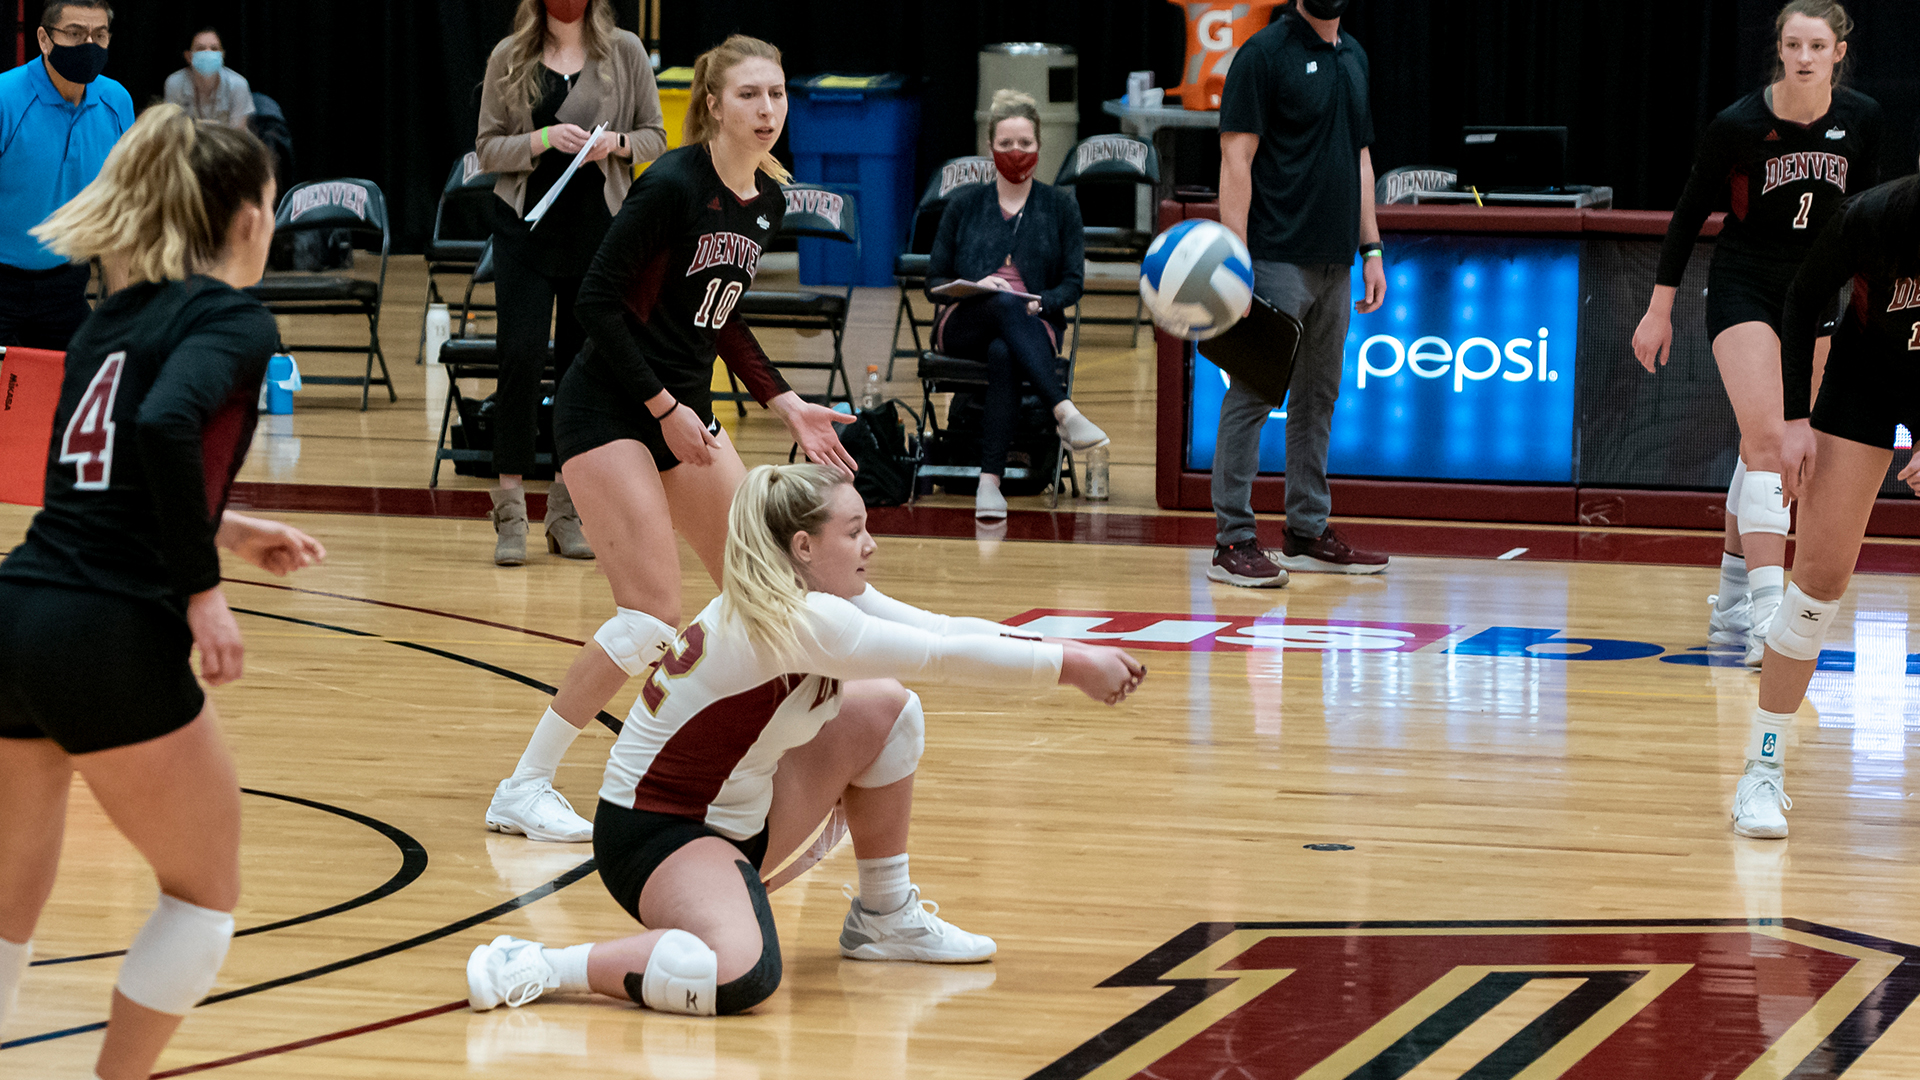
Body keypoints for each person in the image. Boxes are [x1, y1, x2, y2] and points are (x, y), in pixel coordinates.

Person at [466, 464, 1145, 1015]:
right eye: (854, 531)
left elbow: (940, 629)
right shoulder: (797, 619)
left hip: (742, 818)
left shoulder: (812, 599)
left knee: (887, 707)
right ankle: (541, 965)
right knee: (740, 976)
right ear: (803, 549)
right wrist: (1073, 668)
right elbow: (942, 659)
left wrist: (1066, 646)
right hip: (658, 838)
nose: (870, 544)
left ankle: (885, 916)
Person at [0, 104, 326, 1080]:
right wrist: (202, 591)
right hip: (107, 628)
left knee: (10, 890)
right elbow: (168, 426)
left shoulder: (109, 319)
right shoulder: (234, 315)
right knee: (202, 892)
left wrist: (228, 529)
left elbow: (91, 482)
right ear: (246, 219)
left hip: (18, 611)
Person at [483, 35, 858, 843]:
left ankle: (751, 780)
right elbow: (595, 303)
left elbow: (719, 316)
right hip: (609, 409)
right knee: (652, 617)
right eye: (751, 95)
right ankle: (524, 786)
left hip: (681, 410)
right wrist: (662, 408)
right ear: (714, 105)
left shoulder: (766, 201)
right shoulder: (672, 185)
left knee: (774, 598)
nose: (769, 110)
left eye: (779, 94)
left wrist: (785, 401)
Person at [1633, 0, 1880, 667]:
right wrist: (1658, 310)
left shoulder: (1863, 120)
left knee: (1779, 448)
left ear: (1838, 52)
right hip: (1744, 284)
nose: (1803, 56)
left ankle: (1735, 588)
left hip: (1821, 291)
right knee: (1773, 439)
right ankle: (1769, 616)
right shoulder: (1738, 125)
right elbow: (1688, 217)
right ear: (1779, 48)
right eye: (1792, 44)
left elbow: (1878, 218)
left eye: (1816, 45)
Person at [1727, 173, 1919, 839]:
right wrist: (1798, 419)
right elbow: (1804, 298)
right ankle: (1762, 769)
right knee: (1816, 587)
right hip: (1862, 386)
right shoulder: (1871, 215)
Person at [475, 0, 667, 565]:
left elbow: (655, 135)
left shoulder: (625, 50)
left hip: (598, 232)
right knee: (520, 356)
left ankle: (568, 508)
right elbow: (486, 149)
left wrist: (617, 146)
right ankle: (510, 509)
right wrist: (541, 139)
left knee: (582, 371)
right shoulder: (509, 57)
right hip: (525, 231)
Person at [1212, 0, 1388, 587]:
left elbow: (1361, 158)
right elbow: (1236, 157)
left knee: (1318, 398)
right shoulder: (1263, 55)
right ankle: (1232, 540)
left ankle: (1305, 531)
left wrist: (1372, 248)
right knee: (1254, 394)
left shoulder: (1355, 55)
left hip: (1338, 259)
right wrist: (1235, 262)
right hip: (1275, 257)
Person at [924, 89, 1105, 522]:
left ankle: (990, 484)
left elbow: (1073, 284)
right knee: (1001, 300)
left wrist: (1043, 303)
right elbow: (933, 282)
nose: (1016, 152)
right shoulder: (964, 205)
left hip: (1032, 324)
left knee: (1005, 350)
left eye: (1024, 143)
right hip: (962, 324)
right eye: (1006, 144)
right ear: (991, 149)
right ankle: (1063, 409)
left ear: (1039, 147)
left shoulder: (1061, 206)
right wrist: (972, 286)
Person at [0, 0, 132, 350]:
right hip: (3, 278)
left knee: (82, 387)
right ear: (44, 39)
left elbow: (116, 213)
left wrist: (120, 310)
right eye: (75, 34)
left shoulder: (116, 101)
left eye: (99, 35)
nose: (89, 45)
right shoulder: (6, 97)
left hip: (66, 282)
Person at [162, 27, 253, 130]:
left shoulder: (238, 84)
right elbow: (173, 128)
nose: (208, 53)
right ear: (189, 56)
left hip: (227, 144)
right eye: (201, 48)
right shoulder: (175, 83)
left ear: (222, 55)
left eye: (214, 49)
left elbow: (238, 133)